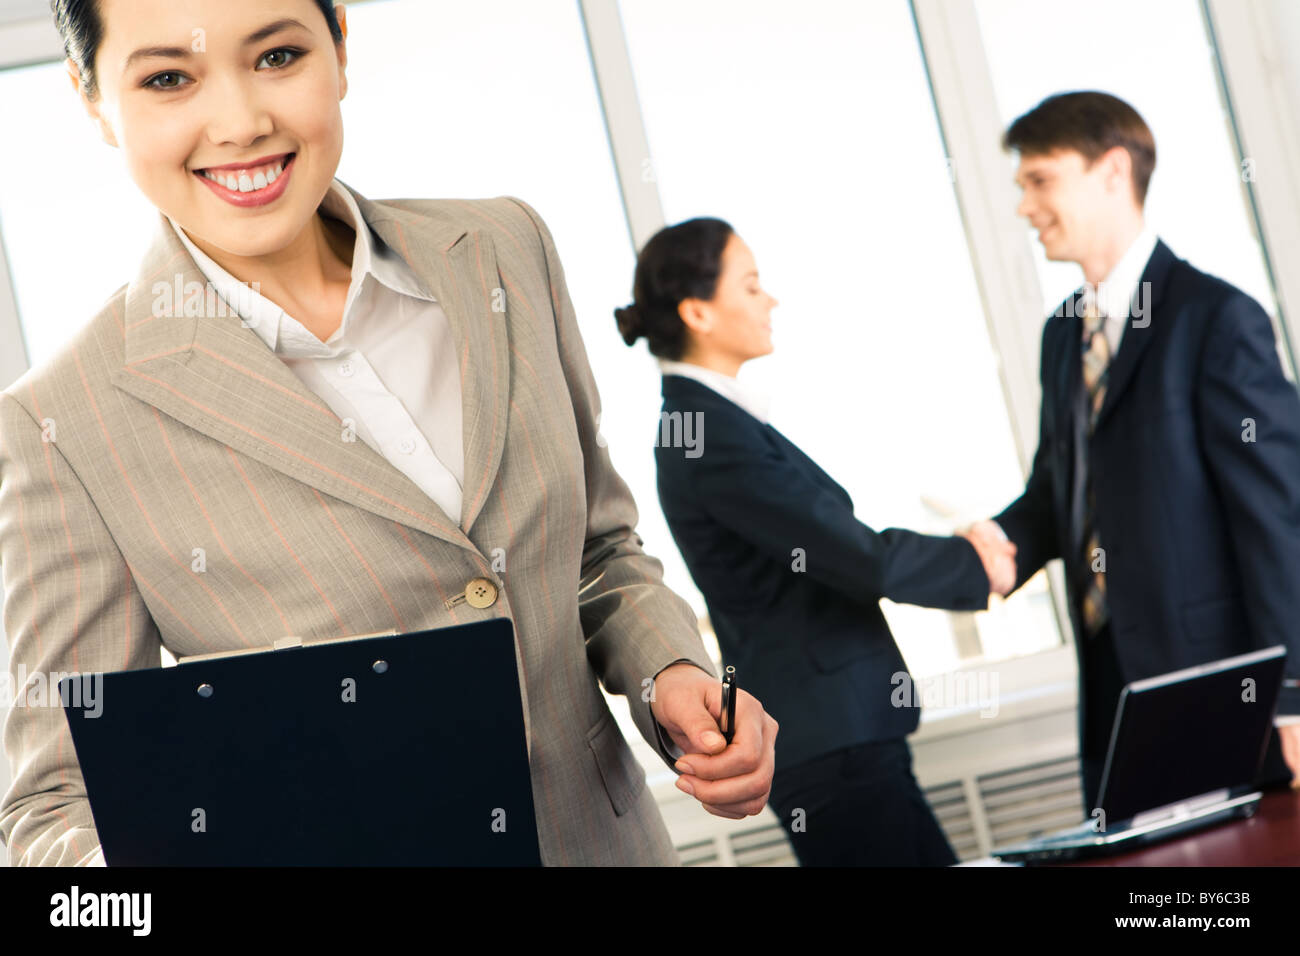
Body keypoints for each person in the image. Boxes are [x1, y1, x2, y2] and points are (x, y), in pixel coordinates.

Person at [0, 0, 780, 867]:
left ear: (338, 45)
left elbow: (597, 552)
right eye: (168, 79)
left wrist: (670, 670)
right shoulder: (59, 425)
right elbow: (50, 803)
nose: (242, 123)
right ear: (91, 99)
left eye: (277, 56)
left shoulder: (504, 250)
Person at [614, 217, 1017, 865]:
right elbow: (850, 554)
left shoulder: (714, 421)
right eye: (750, 286)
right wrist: (975, 565)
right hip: (833, 744)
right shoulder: (707, 431)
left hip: (844, 735)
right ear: (698, 312)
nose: (770, 300)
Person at [963, 91, 1300, 812]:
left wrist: (1294, 695)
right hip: (1115, 688)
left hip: (1220, 684)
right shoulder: (1063, 337)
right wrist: (985, 550)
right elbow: (1063, 494)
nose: (1024, 206)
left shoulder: (1215, 317)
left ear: (1112, 170)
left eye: (1039, 180)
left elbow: (1277, 517)